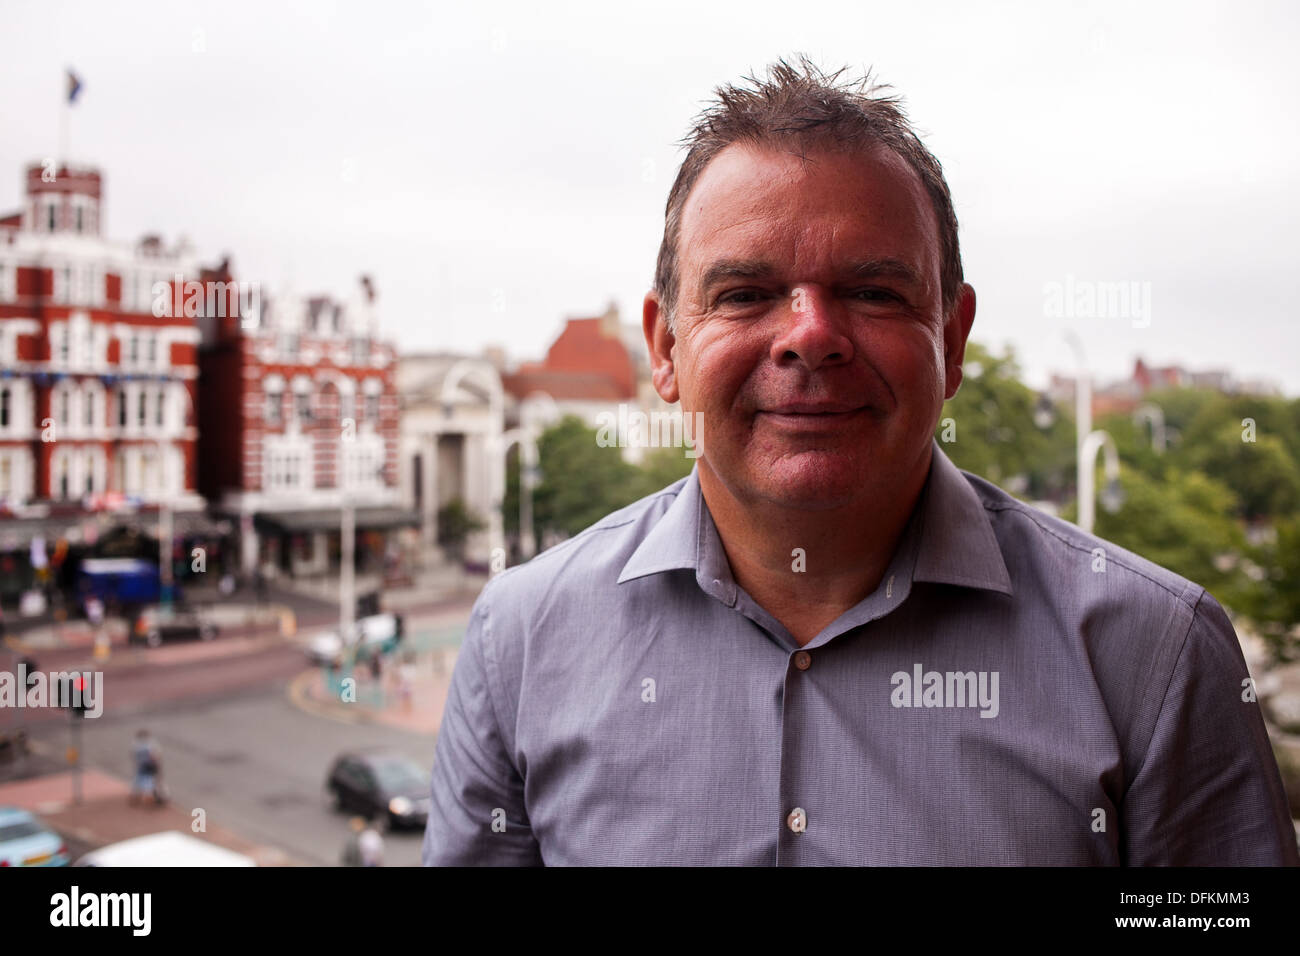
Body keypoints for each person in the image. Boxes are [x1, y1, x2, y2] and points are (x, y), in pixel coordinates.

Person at [422, 58, 1299, 866]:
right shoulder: (521, 645)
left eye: (873, 291)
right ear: (664, 347)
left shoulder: (1155, 654)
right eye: (746, 294)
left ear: (950, 341)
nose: (810, 335)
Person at [129, 729, 164, 806]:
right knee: (149, 784)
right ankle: (149, 800)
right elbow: (154, 756)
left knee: (138, 781)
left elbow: (132, 756)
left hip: (140, 766)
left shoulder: (135, 746)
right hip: (149, 766)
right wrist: (157, 766)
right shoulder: (149, 746)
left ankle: (134, 797)